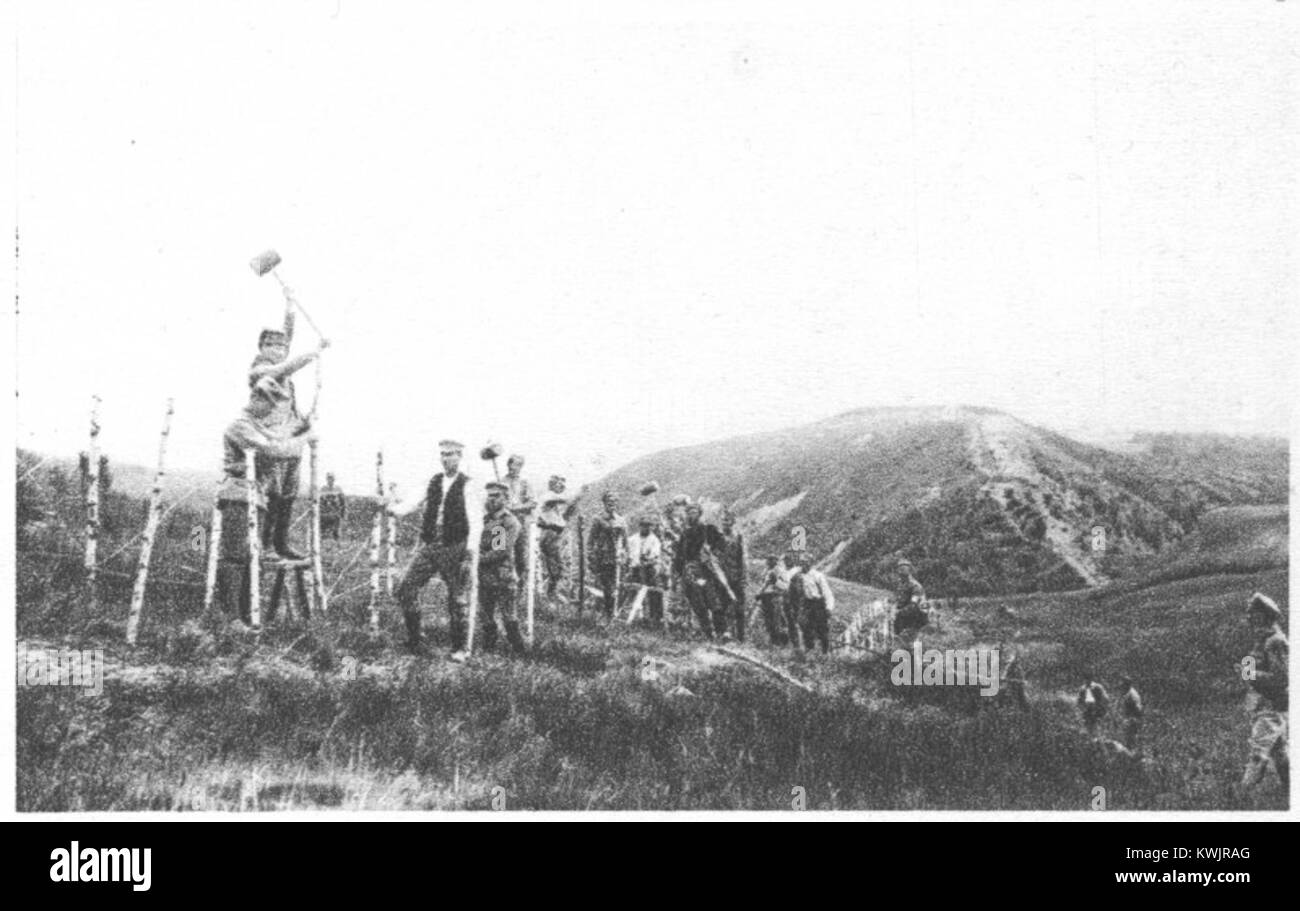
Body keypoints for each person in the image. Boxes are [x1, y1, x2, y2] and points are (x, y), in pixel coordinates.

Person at [245, 290, 330, 560]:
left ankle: (280, 543)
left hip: (291, 440)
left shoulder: (284, 371)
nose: (278, 350)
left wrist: (290, 307)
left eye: (281, 346)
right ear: (262, 347)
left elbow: (291, 405)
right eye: (272, 345)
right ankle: (264, 544)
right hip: (269, 439)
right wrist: (313, 353)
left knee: (288, 494)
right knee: (270, 491)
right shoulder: (260, 369)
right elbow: (284, 367)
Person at [214, 412, 317, 626]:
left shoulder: (260, 428)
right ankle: (230, 618)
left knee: (253, 557)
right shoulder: (241, 426)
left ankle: (245, 617)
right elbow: (274, 450)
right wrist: (304, 436)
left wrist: (299, 429)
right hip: (238, 495)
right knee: (235, 557)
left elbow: (278, 443)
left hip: (256, 499)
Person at [394, 440, 482, 660]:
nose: (445, 458)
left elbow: (476, 521)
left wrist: (470, 553)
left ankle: (460, 648)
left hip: (455, 545)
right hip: (432, 544)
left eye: (450, 454)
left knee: (457, 597)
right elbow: (411, 504)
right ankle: (416, 639)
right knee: (406, 588)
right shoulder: (433, 481)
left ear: (460, 456)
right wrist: (390, 508)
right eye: (443, 454)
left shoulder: (468, 485)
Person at [1241, 592, 1288, 790]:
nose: (1251, 618)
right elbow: (1250, 669)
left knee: (1259, 750)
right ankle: (1289, 789)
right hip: (1263, 704)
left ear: (1266, 615)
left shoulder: (1274, 641)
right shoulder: (1262, 639)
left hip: (1271, 704)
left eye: (1255, 613)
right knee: (1280, 751)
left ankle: (1243, 791)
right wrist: (1246, 670)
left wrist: (1250, 673)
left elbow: (1281, 678)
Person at [477, 481, 525, 654]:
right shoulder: (485, 520)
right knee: (485, 614)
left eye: (496, 496)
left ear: (505, 498)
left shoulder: (507, 522)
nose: (491, 499)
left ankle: (520, 650)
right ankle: (489, 648)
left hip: (502, 575)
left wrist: (477, 558)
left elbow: (499, 551)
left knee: (509, 616)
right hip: (484, 575)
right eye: (489, 495)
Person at [673, 502, 730, 638]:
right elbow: (680, 555)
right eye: (689, 513)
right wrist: (679, 572)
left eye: (694, 512)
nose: (691, 516)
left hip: (706, 570)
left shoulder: (708, 529)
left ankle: (722, 631)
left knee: (713, 600)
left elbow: (722, 544)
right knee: (697, 603)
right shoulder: (685, 534)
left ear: (699, 514)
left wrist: (711, 551)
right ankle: (707, 633)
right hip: (690, 571)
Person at [586, 492, 627, 619]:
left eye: (614, 501)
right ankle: (608, 613)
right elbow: (591, 540)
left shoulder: (621, 520)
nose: (612, 503)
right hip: (603, 557)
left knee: (618, 585)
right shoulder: (598, 519)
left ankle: (615, 612)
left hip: (618, 558)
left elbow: (625, 541)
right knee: (607, 586)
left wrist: (626, 555)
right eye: (609, 501)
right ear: (604, 503)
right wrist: (591, 556)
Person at [504, 454, 537, 599]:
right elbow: (491, 501)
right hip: (501, 525)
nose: (515, 468)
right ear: (508, 465)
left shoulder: (524, 483)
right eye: (513, 464)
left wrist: (516, 508)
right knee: (498, 551)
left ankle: (520, 589)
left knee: (521, 558)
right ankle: (500, 588)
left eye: (519, 465)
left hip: (520, 524)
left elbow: (532, 503)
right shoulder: (501, 482)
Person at [793, 552, 835, 654]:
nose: (803, 565)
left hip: (818, 604)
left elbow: (827, 593)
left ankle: (825, 652)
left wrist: (829, 608)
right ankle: (809, 650)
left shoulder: (817, 576)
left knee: (822, 629)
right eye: (801, 562)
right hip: (807, 604)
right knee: (805, 627)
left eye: (806, 562)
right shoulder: (798, 576)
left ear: (810, 563)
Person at [627, 514, 664, 625]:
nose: (646, 528)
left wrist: (648, 559)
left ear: (651, 527)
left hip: (650, 570)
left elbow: (655, 554)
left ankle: (655, 617)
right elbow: (628, 553)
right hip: (635, 569)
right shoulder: (632, 539)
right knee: (633, 591)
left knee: (654, 592)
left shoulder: (654, 540)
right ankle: (635, 616)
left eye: (648, 526)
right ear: (640, 526)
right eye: (643, 525)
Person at [718, 512, 748, 641]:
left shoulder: (739, 537)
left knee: (739, 607)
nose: (725, 523)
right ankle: (725, 633)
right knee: (722, 605)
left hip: (736, 576)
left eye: (728, 521)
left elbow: (744, 558)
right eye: (723, 521)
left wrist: (744, 576)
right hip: (722, 577)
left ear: (732, 522)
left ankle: (741, 636)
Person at [756, 555, 790, 646]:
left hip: (775, 597)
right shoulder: (766, 571)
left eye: (772, 560)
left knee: (776, 620)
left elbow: (786, 587)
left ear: (776, 561)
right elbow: (763, 584)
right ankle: (773, 642)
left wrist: (776, 582)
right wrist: (759, 593)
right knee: (768, 621)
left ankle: (781, 642)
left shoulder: (781, 571)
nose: (769, 562)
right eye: (768, 560)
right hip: (765, 598)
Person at [893, 559, 927, 640]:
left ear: (909, 570)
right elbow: (898, 600)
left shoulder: (915, 586)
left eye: (903, 569)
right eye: (899, 569)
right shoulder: (900, 584)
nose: (900, 572)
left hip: (916, 616)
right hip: (904, 613)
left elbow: (913, 605)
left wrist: (898, 612)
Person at [318, 472, 347, 541]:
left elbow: (343, 502)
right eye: (329, 478)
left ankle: (336, 543)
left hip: (335, 513)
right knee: (323, 530)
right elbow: (320, 502)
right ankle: (323, 543)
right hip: (325, 514)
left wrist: (343, 513)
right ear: (326, 479)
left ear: (334, 479)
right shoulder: (323, 489)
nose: (330, 480)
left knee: (336, 531)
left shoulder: (338, 489)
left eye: (332, 478)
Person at [999, 646, 1029, 711]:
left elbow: (1022, 680)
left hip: (1015, 687)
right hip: (1010, 687)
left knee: (1021, 697)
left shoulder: (1016, 667)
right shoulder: (1008, 666)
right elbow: (1003, 677)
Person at [1119, 676, 1143, 752]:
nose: (1122, 685)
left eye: (1123, 684)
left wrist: (1132, 719)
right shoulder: (1127, 693)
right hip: (1129, 718)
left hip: (1132, 719)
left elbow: (1138, 709)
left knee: (1130, 740)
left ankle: (1131, 756)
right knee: (1127, 739)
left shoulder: (1132, 695)